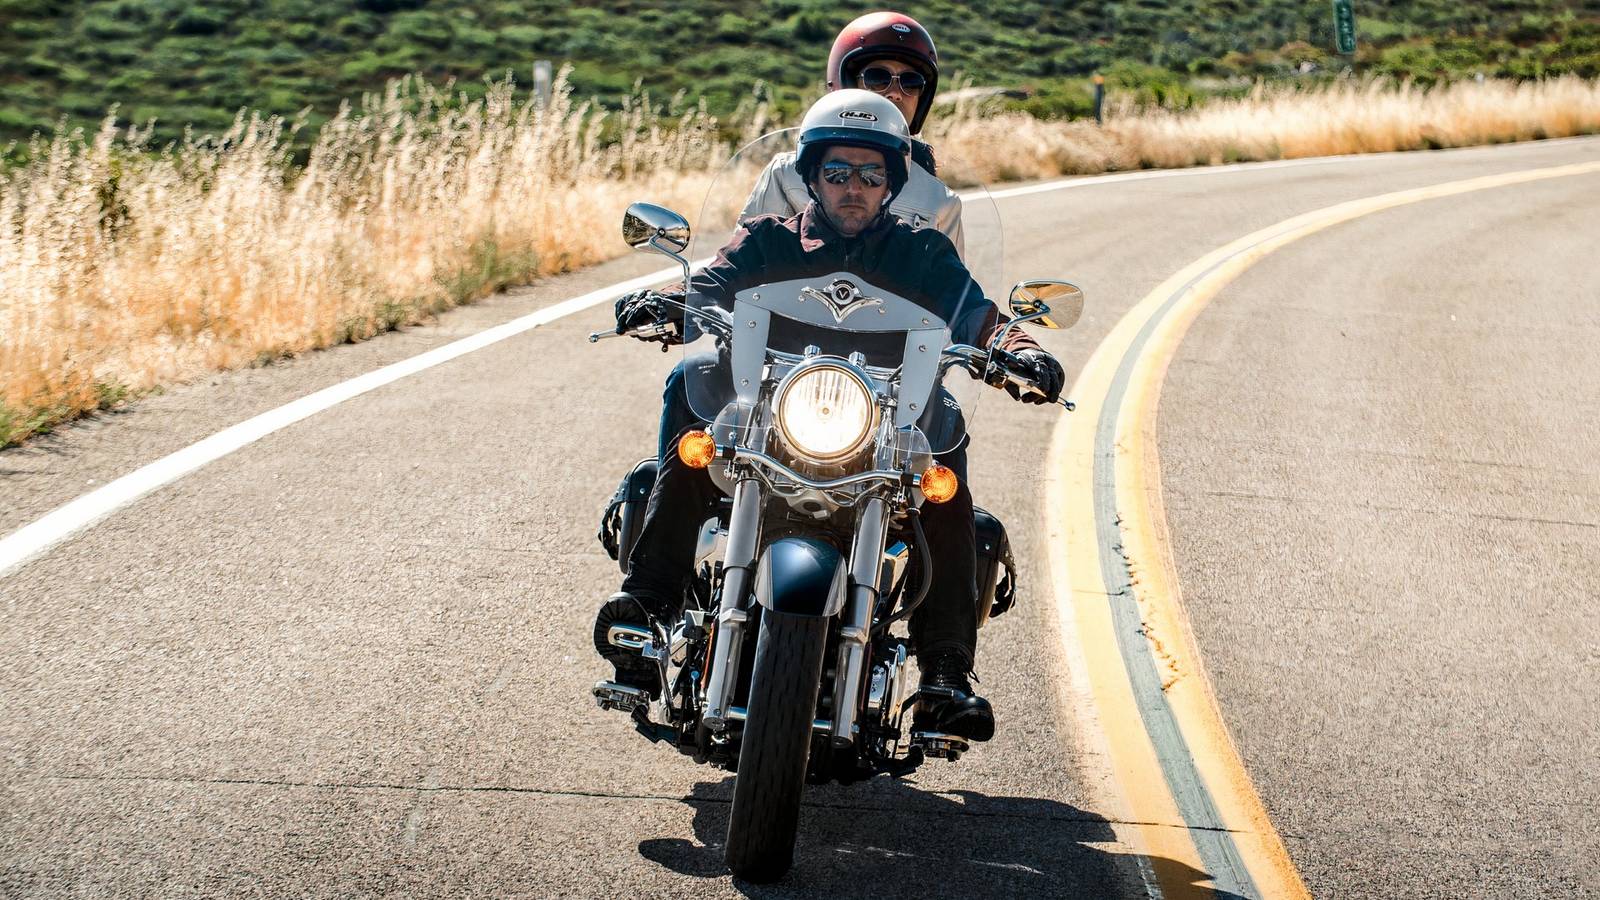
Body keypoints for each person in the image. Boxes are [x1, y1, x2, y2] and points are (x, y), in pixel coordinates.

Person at [596, 92, 1067, 743]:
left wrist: (1018, 351)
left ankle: (945, 673)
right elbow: (708, 282)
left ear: (891, 183)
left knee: (947, 436)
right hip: (775, 418)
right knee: (692, 383)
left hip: (875, 427)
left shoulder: (924, 254)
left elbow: (977, 314)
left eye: (871, 174)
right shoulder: (767, 240)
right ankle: (650, 601)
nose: (854, 187)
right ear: (813, 177)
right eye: (839, 172)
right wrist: (663, 301)